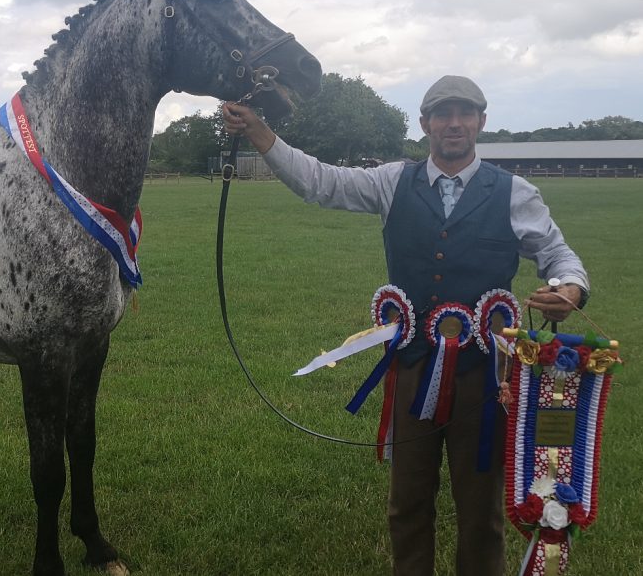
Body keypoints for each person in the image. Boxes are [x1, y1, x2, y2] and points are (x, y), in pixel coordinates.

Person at [222, 75, 589, 576]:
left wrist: (569, 288)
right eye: (442, 114)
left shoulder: (514, 193)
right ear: (425, 125)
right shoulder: (392, 181)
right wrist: (263, 134)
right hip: (413, 367)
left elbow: (558, 254)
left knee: (480, 512)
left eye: (464, 113)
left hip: (487, 380)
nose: (453, 123)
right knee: (407, 504)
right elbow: (321, 181)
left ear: (481, 121)